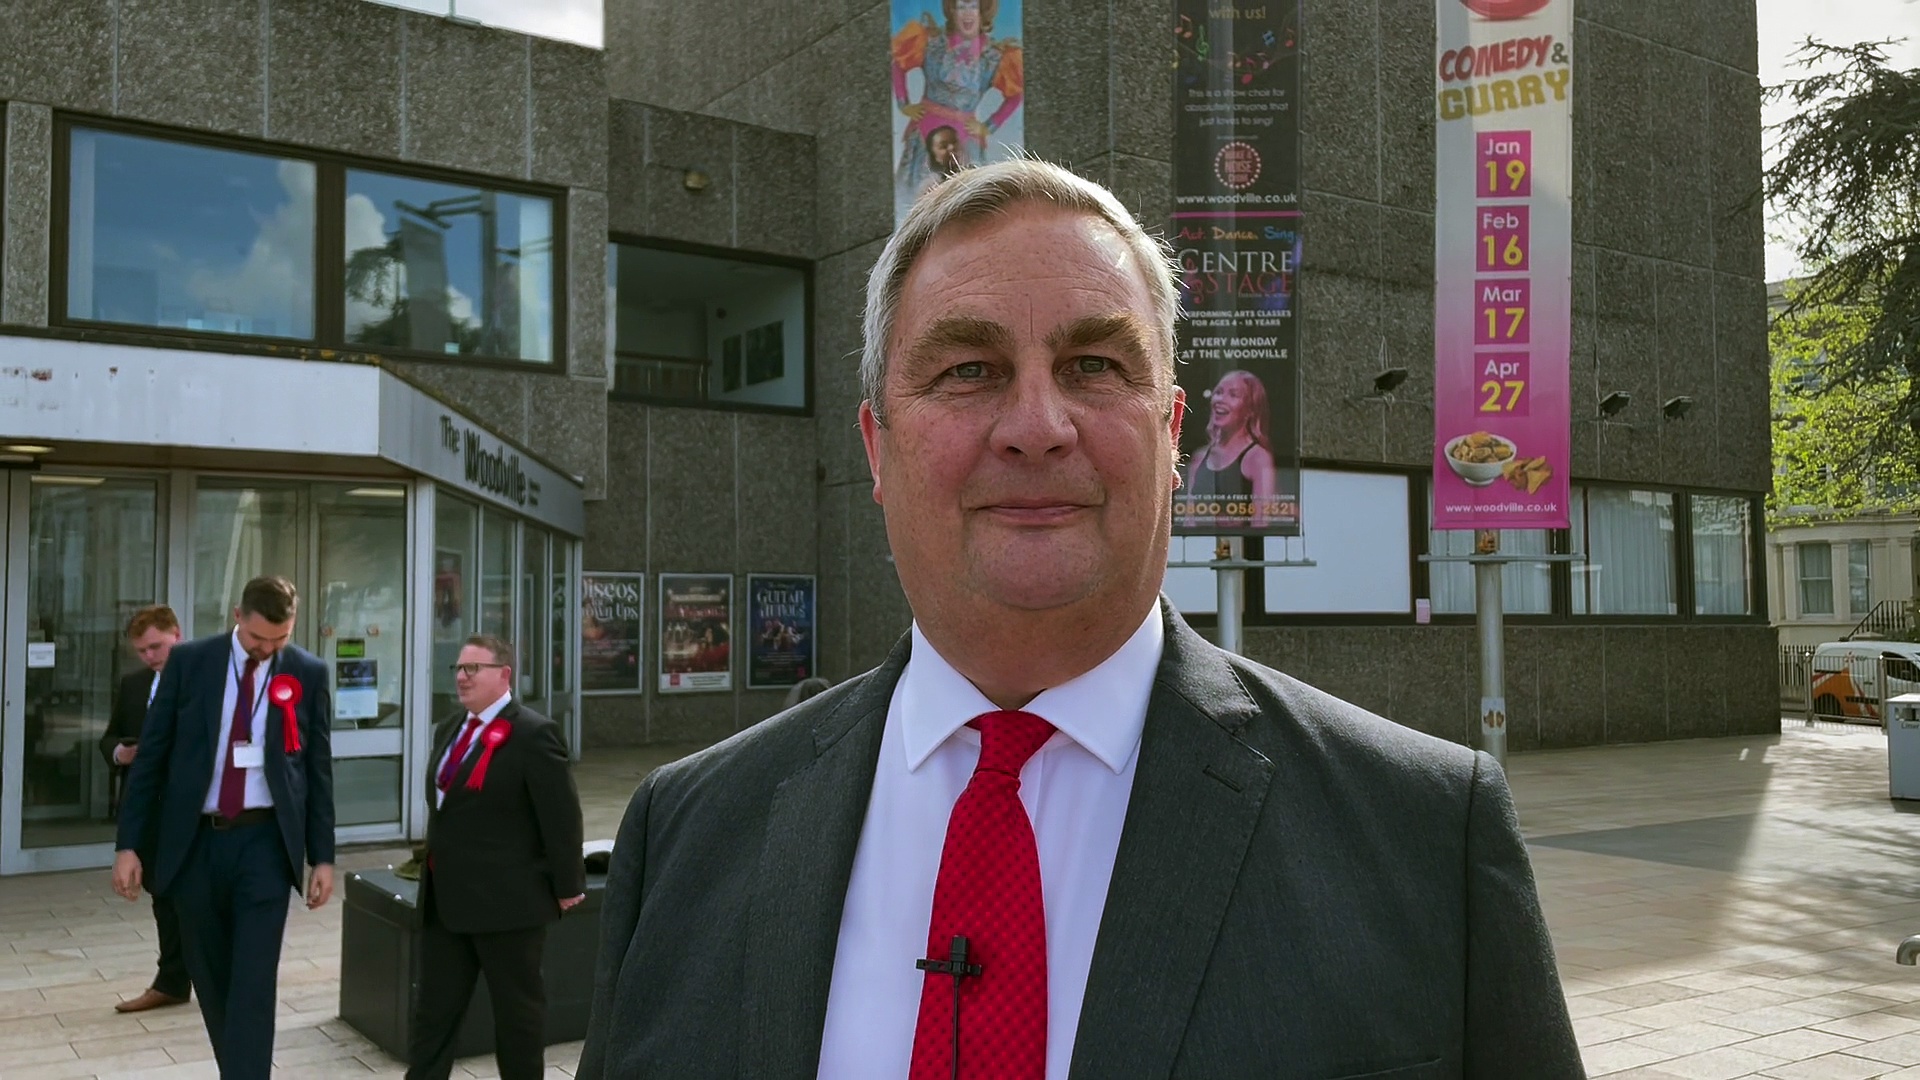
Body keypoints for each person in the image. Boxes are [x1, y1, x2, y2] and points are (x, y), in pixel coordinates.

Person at [579, 161, 1581, 1078]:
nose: (1036, 426)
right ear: (877, 449)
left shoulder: (1423, 834)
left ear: (1174, 434)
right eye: (967, 369)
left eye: (1096, 365)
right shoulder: (688, 833)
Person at [111, 575, 335, 1080]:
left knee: (254, 982)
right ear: (238, 616)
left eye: (280, 639)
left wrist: (323, 856)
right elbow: (152, 761)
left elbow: (317, 769)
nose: (268, 650)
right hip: (195, 845)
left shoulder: (308, 672)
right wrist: (129, 844)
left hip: (265, 846)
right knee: (211, 980)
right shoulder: (191, 663)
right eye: (259, 640)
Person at [407, 634, 585, 1080]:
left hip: (508, 905)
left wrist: (568, 886)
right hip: (445, 904)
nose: (462, 678)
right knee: (432, 1018)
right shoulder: (450, 728)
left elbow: (561, 817)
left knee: (517, 1020)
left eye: (473, 670)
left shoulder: (532, 733)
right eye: (459, 670)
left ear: (503, 674)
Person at [99, 604, 191, 1014]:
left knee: (189, 898)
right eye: (142, 650)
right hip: (147, 808)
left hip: (190, 810)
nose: (151, 656)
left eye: (157, 646)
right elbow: (110, 736)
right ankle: (172, 980)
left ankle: (189, 978)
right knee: (162, 897)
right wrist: (121, 752)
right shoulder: (134, 685)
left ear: (177, 635)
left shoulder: (202, 682)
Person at [892, 0, 1023, 209]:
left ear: (983, 12)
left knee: (970, 204)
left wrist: (988, 126)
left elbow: (1015, 95)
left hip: (966, 138)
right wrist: (904, 104)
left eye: (973, 6)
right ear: (952, 11)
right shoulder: (930, 41)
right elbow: (898, 65)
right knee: (916, 202)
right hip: (925, 136)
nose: (967, 13)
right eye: (961, 6)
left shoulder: (995, 56)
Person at [1180, 368, 1282, 528]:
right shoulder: (1200, 457)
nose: (1221, 399)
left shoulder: (1257, 458)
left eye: (1233, 395)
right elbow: (1189, 519)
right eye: (1218, 392)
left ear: (1250, 410)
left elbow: (1260, 522)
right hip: (1202, 550)